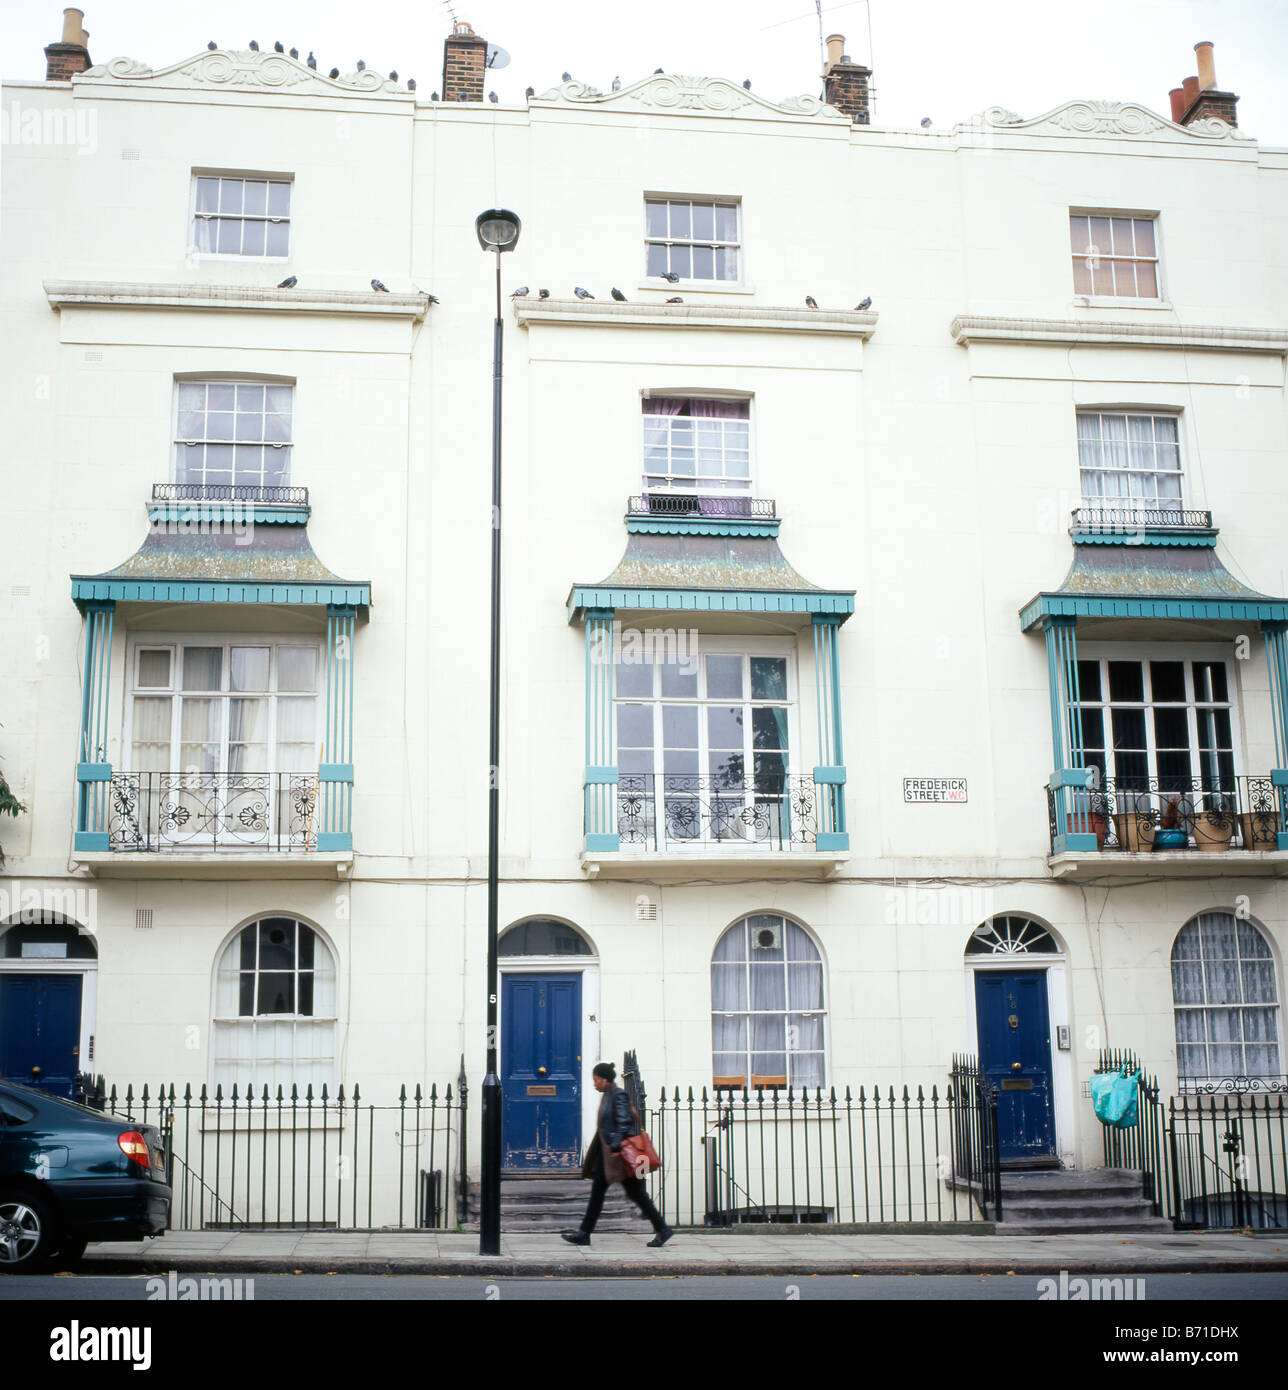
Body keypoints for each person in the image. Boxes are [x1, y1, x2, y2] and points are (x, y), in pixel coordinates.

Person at [562, 1062, 673, 1247]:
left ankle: (662, 1229)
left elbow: (624, 1121)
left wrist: (615, 1144)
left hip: (619, 1156)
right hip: (608, 1156)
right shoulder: (608, 1094)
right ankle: (584, 1233)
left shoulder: (618, 1094)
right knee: (601, 1193)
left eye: (596, 1080)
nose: (594, 1084)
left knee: (636, 1194)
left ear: (605, 1079)